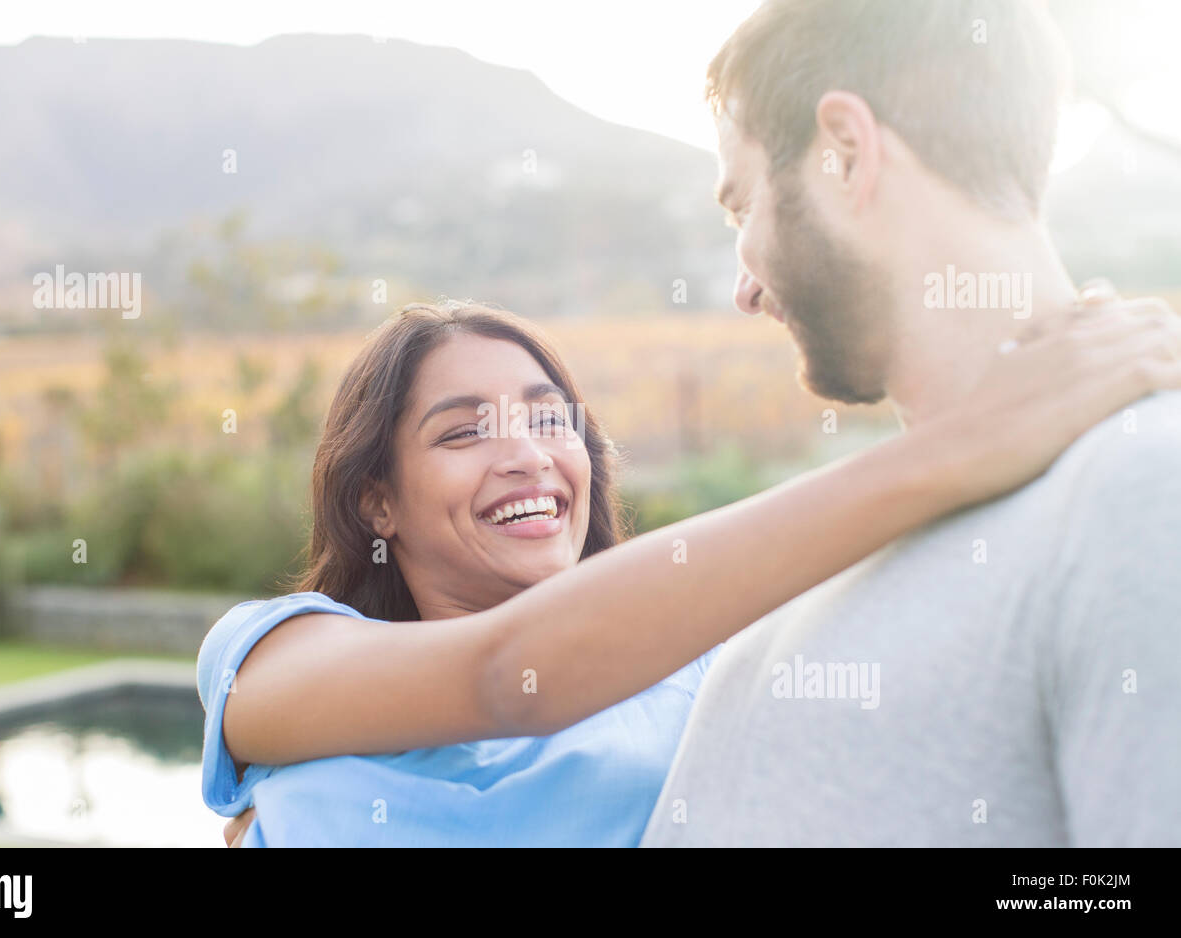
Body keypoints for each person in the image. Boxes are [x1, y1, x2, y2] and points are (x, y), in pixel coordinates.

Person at [199, 293, 1179, 845]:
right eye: (463, 431)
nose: (528, 454)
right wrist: (965, 442)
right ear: (377, 498)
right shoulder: (273, 653)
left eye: (551, 418)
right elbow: (507, 675)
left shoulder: (715, 683)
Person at [641, 0, 1181, 847]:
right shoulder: (836, 542)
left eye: (743, 207)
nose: (742, 289)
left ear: (845, 153)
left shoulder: (1144, 487)